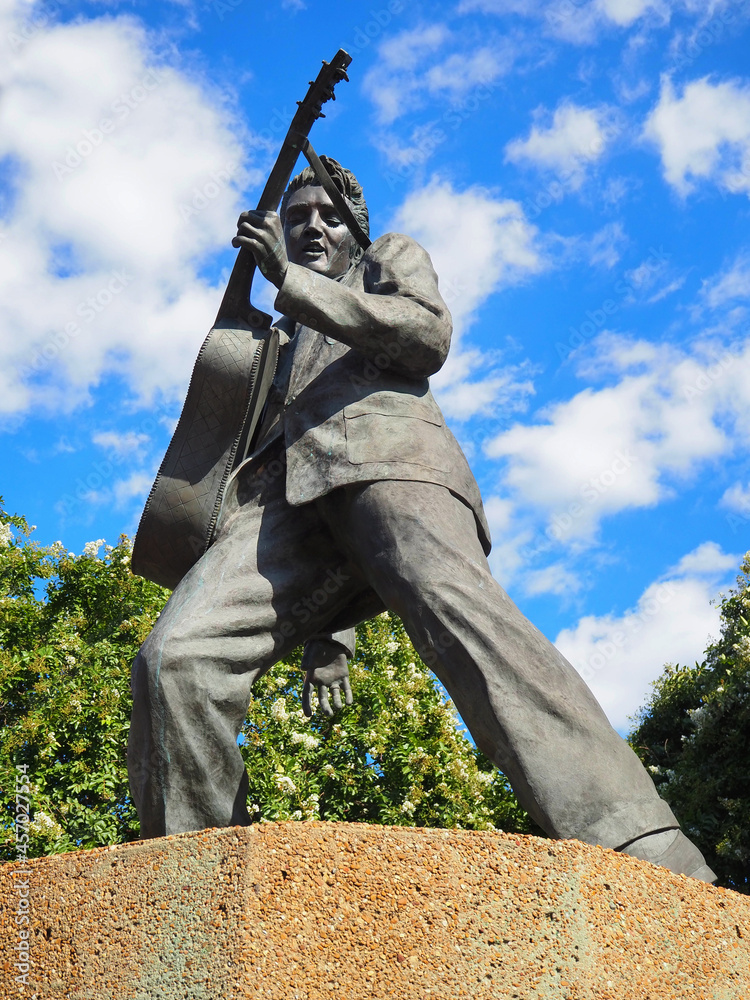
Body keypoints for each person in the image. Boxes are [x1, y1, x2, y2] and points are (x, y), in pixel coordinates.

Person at [128, 157, 715, 882]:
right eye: (296, 214)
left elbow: (424, 337)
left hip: (389, 464)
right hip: (283, 502)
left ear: (355, 231)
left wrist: (293, 282)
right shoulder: (277, 338)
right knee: (174, 660)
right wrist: (327, 630)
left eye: (328, 216)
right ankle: (195, 882)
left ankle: (642, 840)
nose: (311, 225)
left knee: (469, 630)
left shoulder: (388, 259)